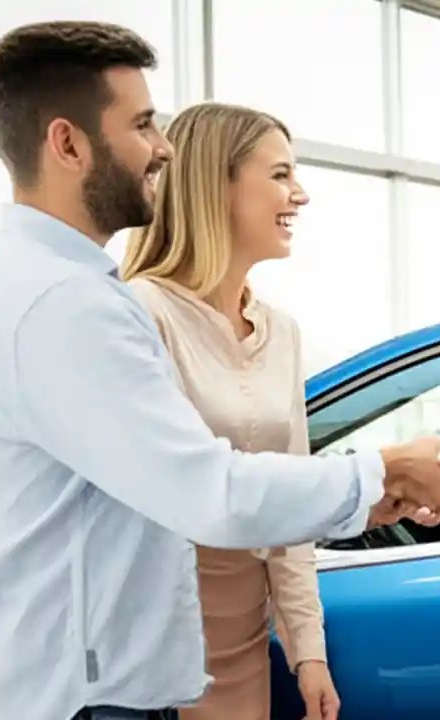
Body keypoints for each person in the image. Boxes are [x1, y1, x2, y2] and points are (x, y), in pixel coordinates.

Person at [0, 21, 440, 720]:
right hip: (87, 701)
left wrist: (363, 512)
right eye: (142, 125)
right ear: (68, 143)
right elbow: (209, 490)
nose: (163, 147)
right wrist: (386, 472)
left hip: (104, 684)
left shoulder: (33, 284)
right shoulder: (70, 306)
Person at [119, 103, 337, 720]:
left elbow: (292, 500)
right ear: (217, 183)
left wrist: (307, 653)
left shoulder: (282, 331)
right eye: (280, 175)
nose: (300, 194)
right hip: (158, 644)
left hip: (243, 643)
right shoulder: (140, 312)